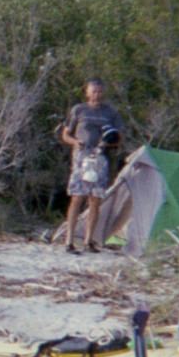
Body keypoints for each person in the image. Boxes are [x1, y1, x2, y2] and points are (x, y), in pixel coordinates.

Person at [60, 79, 124, 254]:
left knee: (95, 200)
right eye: (93, 91)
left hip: (100, 158)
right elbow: (65, 134)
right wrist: (75, 142)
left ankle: (89, 241)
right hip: (81, 157)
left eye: (100, 91)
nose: (97, 95)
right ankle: (69, 241)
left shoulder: (110, 112)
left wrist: (107, 142)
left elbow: (118, 136)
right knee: (77, 197)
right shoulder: (79, 110)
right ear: (87, 92)